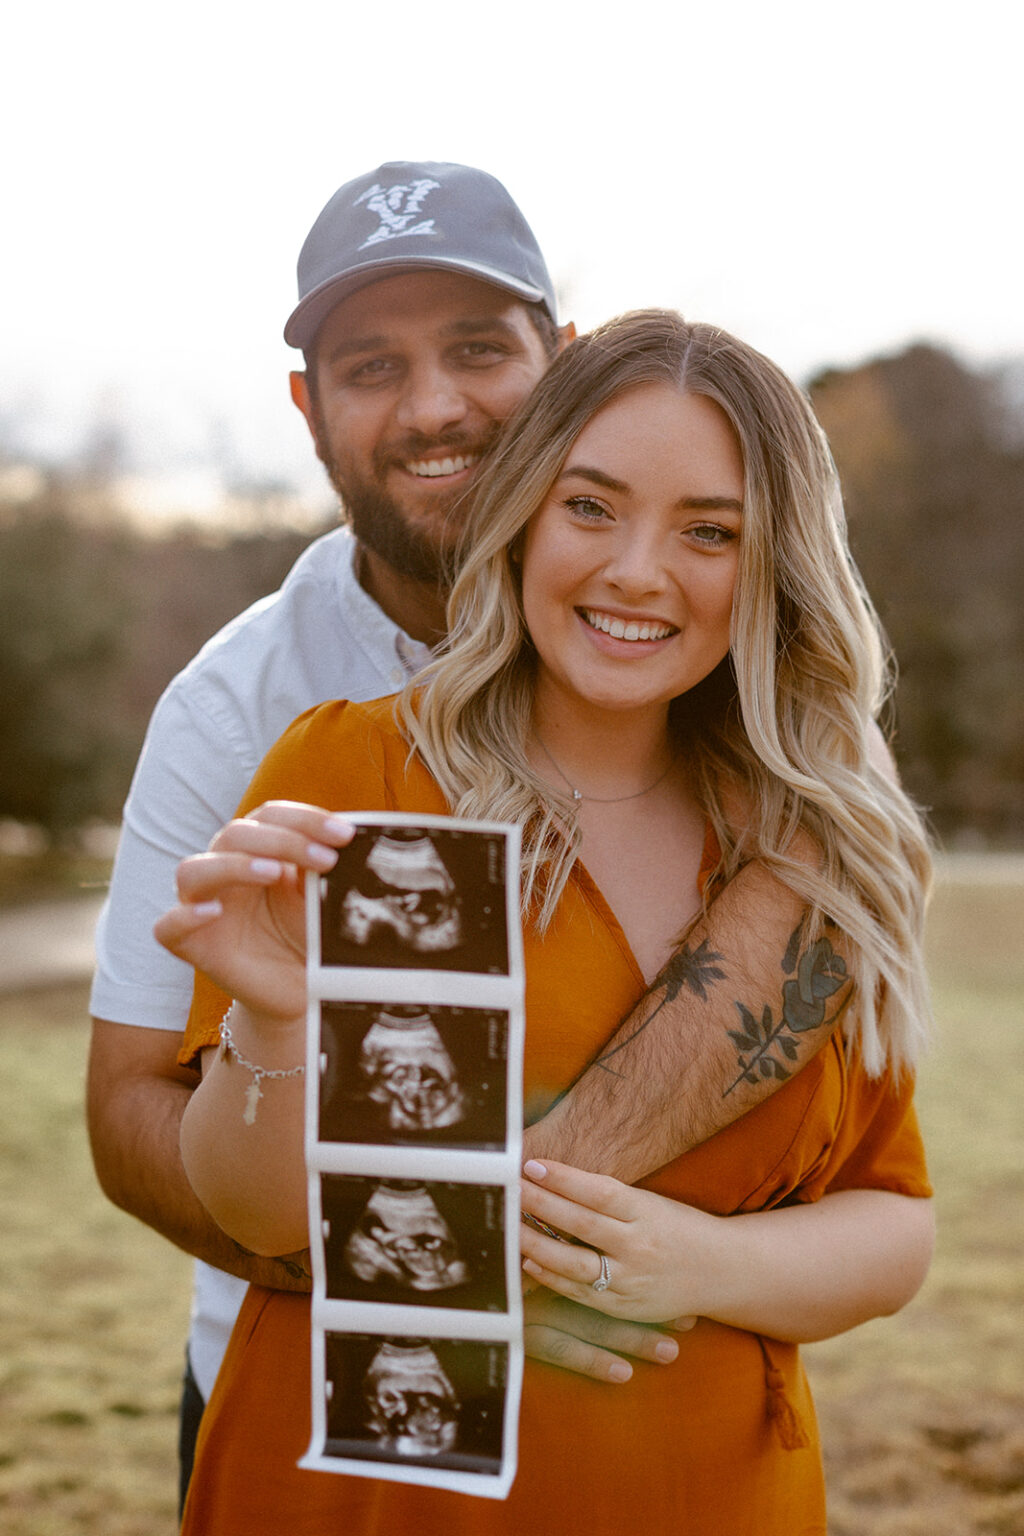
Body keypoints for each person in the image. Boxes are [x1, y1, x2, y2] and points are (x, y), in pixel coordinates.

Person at [87, 158, 863, 1504]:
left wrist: (558, 1234)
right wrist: (436, 1271)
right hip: (320, 1426)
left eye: (478, 349)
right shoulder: (252, 717)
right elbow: (127, 1109)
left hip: (660, 1454)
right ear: (309, 411)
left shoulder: (730, 678)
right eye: (371, 367)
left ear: (564, 365)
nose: (435, 406)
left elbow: (848, 1084)